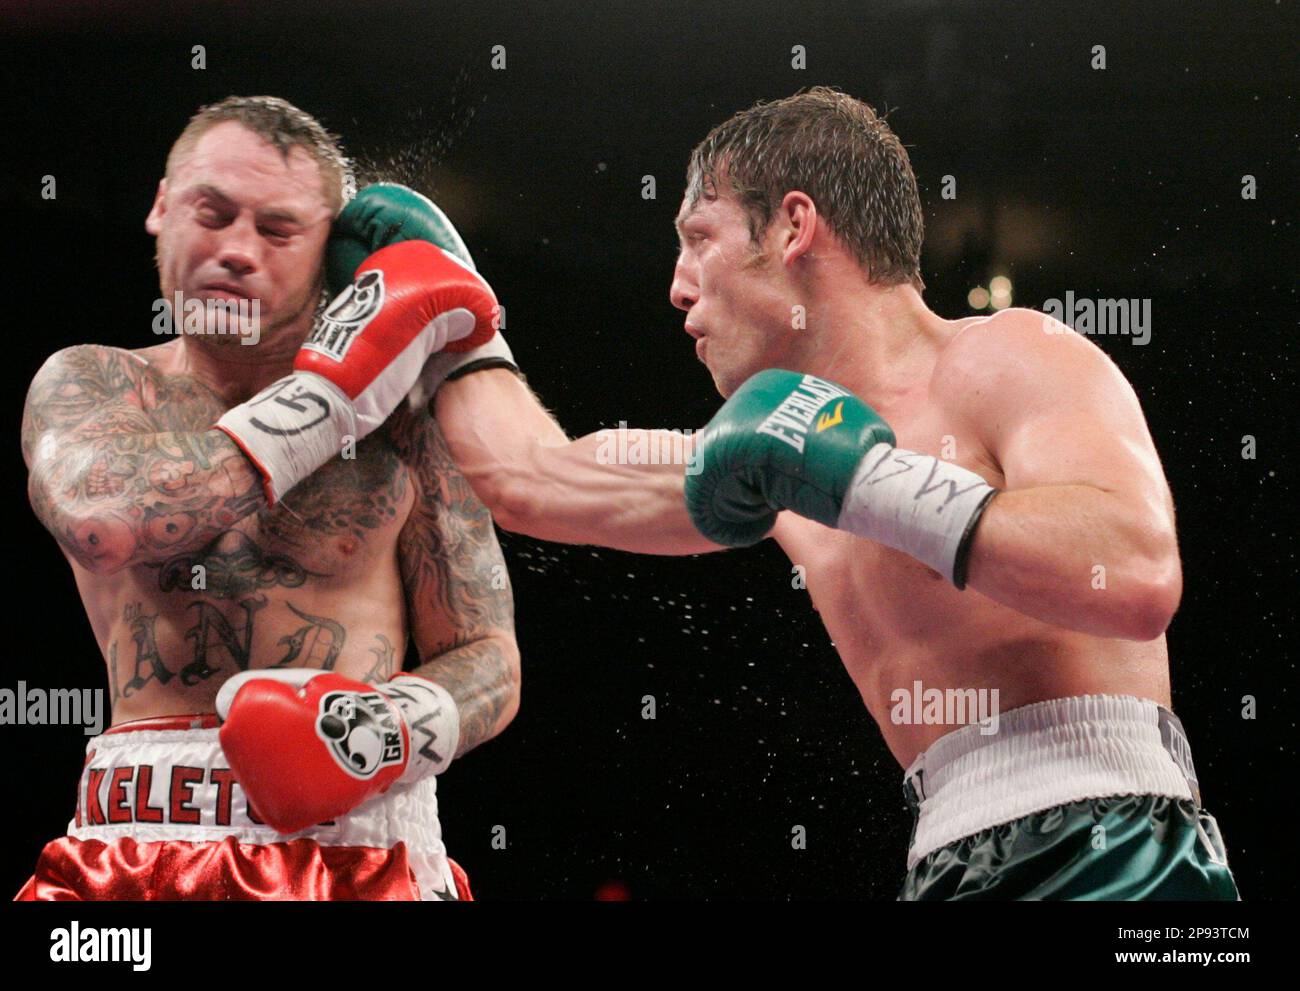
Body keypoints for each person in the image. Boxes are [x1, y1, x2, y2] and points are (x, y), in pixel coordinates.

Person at [411, 87, 1239, 899]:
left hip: (1116, 845)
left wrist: (866, 481)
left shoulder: (1008, 356)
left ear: (794, 226)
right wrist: (449, 311)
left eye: (699, 237)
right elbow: (530, 478)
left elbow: (1133, 574)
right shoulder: (762, 460)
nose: (677, 285)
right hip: (945, 852)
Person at [18, 96, 518, 901]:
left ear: (330, 250)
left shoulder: (407, 419)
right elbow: (102, 520)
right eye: (212, 214)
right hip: (130, 851)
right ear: (160, 207)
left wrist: (380, 734)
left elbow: (492, 659)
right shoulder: (93, 383)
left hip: (355, 850)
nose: (238, 251)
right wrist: (334, 394)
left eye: (278, 230)